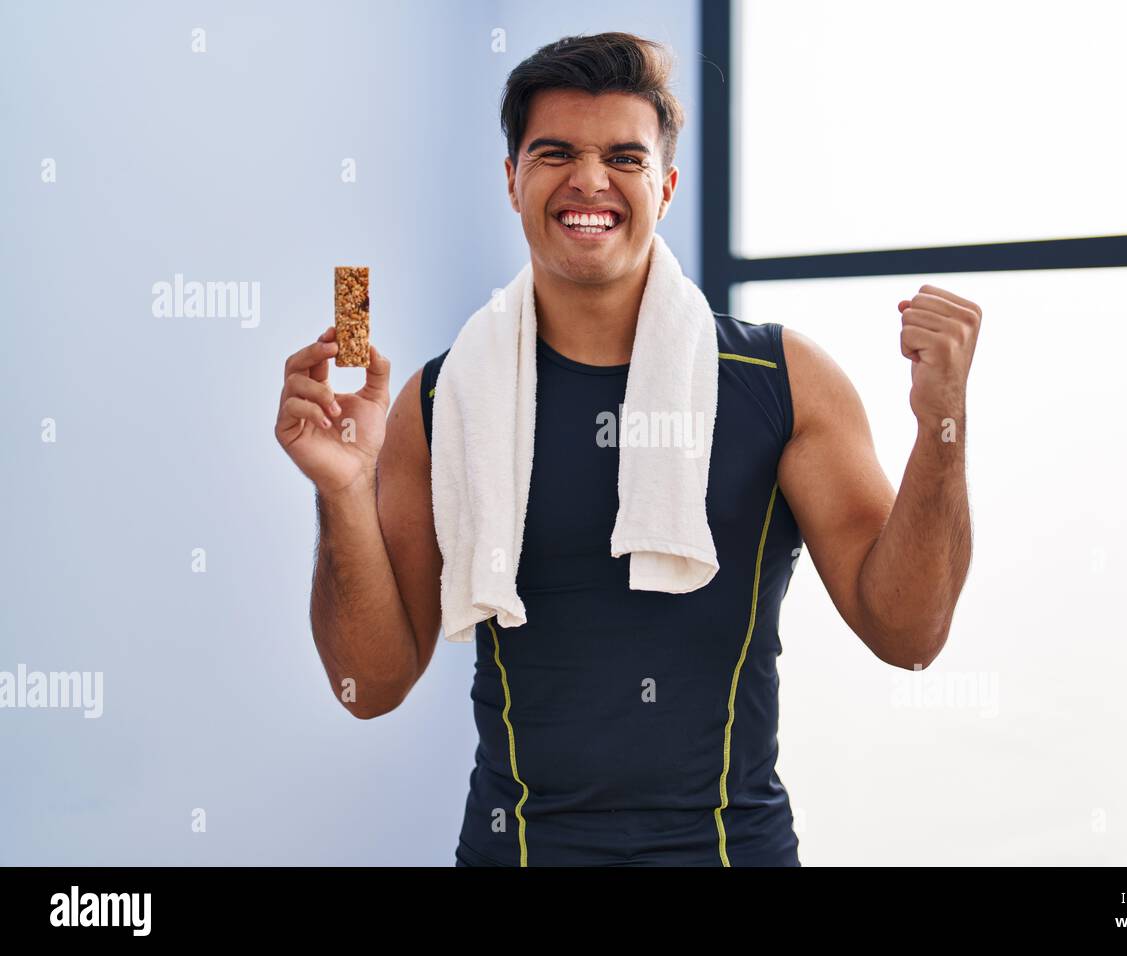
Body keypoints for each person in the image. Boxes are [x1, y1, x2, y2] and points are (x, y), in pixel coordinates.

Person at [274, 32, 979, 866]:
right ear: (512, 181)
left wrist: (943, 427)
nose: (589, 180)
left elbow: (910, 635)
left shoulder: (784, 381)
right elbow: (371, 687)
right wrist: (344, 490)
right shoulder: (443, 399)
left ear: (667, 186)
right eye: (555, 152)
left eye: (624, 157)